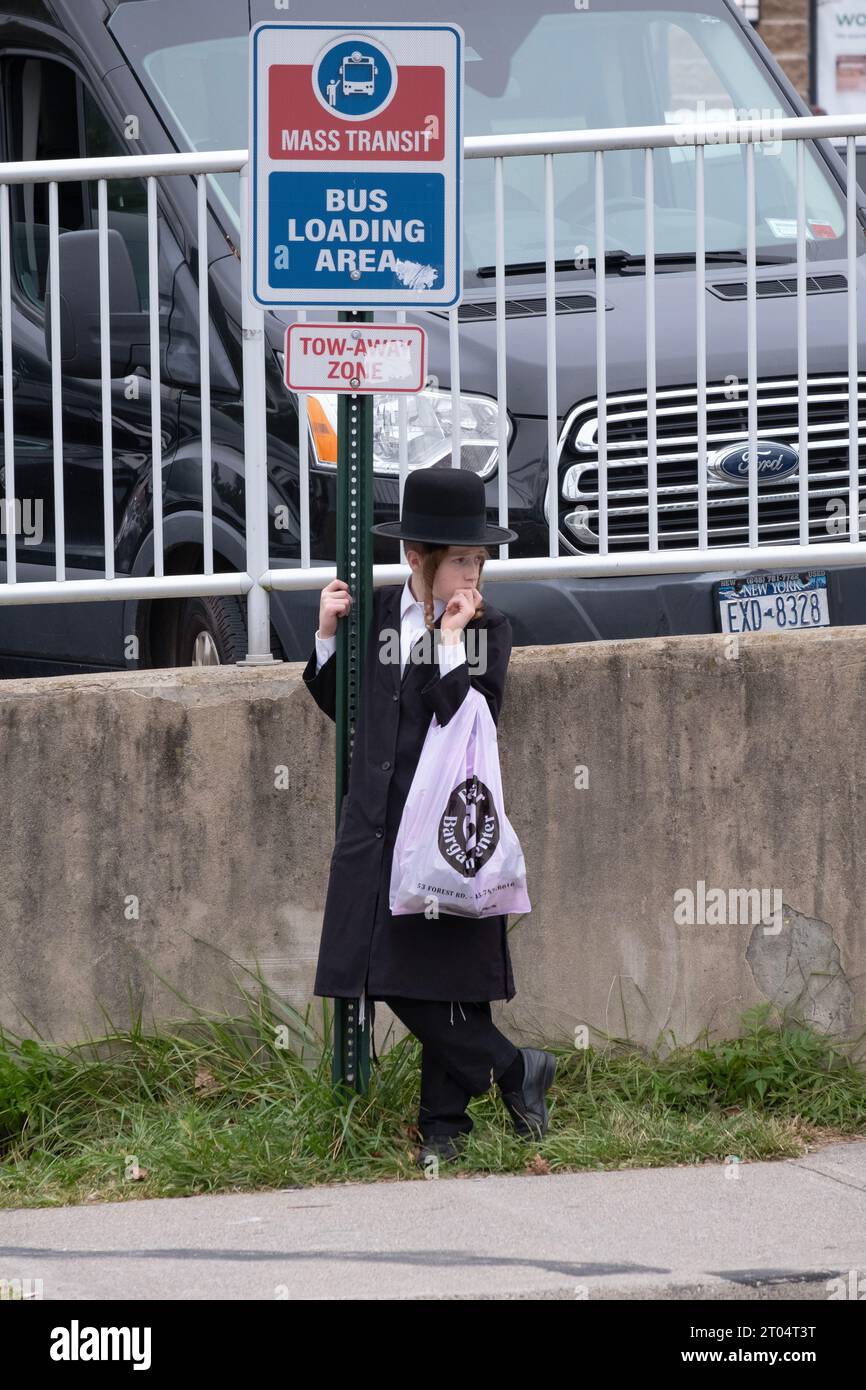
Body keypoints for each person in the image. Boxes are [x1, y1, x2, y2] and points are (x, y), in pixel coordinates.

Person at [302, 468, 557, 1168]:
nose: (474, 574)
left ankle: (443, 1128)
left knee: (448, 975)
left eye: (479, 560)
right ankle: (513, 1070)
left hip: (450, 829)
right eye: (461, 561)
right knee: (378, 970)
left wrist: (450, 640)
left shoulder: (488, 629)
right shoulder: (379, 616)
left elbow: (467, 714)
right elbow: (346, 714)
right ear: (418, 558)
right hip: (380, 828)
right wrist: (326, 637)